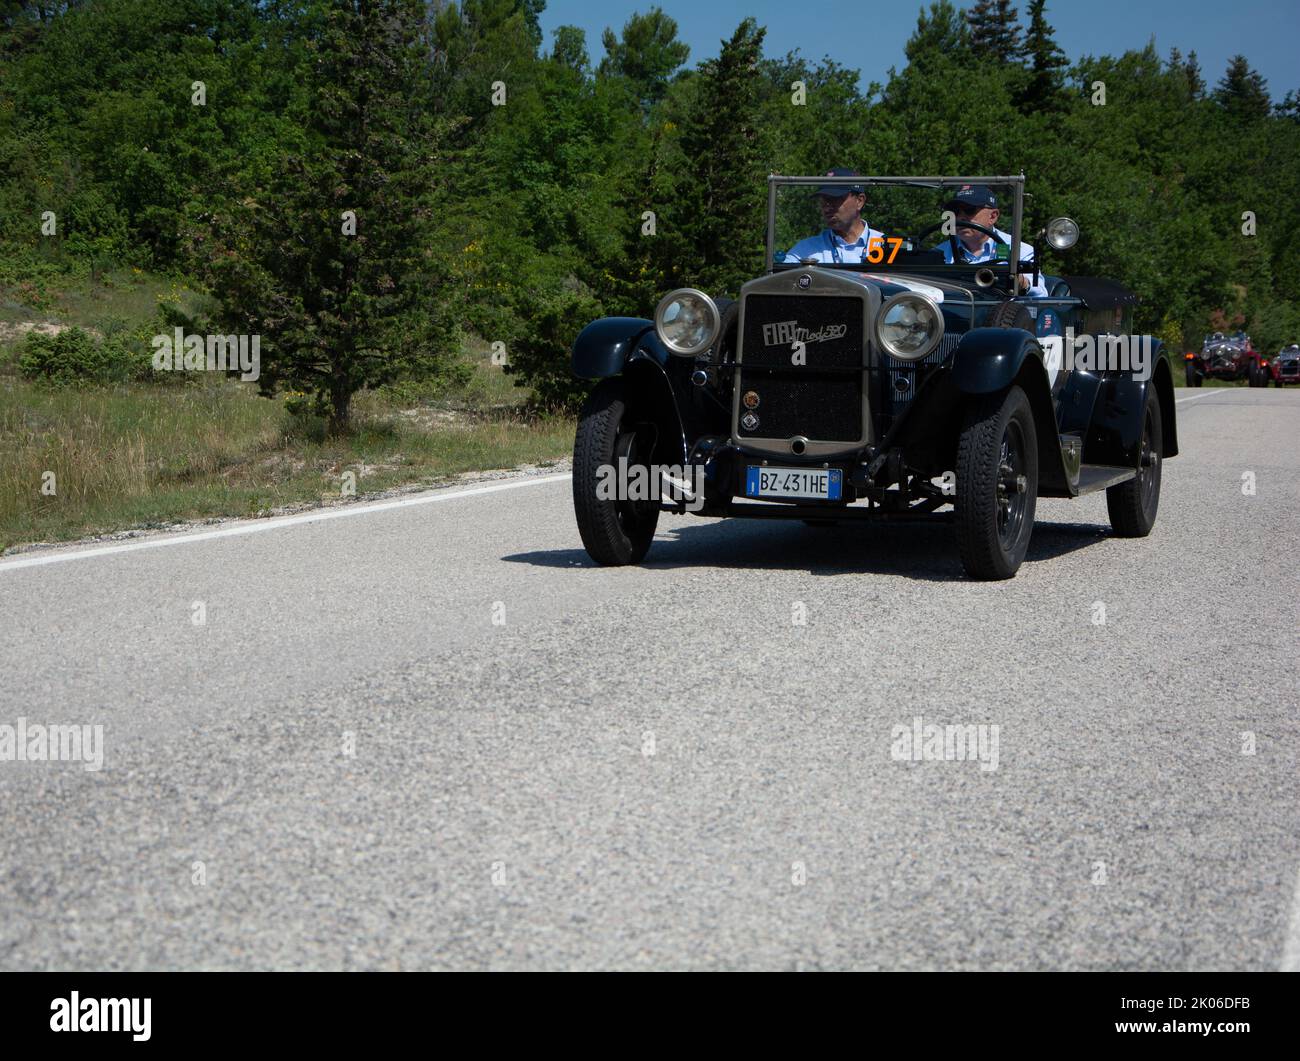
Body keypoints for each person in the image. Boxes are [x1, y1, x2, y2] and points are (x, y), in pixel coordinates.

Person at [932, 184, 1047, 297]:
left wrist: (1021, 282)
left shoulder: (1020, 251)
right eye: (955, 212)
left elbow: (1041, 294)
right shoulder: (937, 254)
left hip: (1002, 313)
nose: (960, 217)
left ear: (993, 216)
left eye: (969, 209)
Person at [782, 169, 885, 264]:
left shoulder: (885, 246)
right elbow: (783, 281)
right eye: (823, 200)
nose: (827, 208)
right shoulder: (803, 252)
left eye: (835, 199)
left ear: (859, 201)